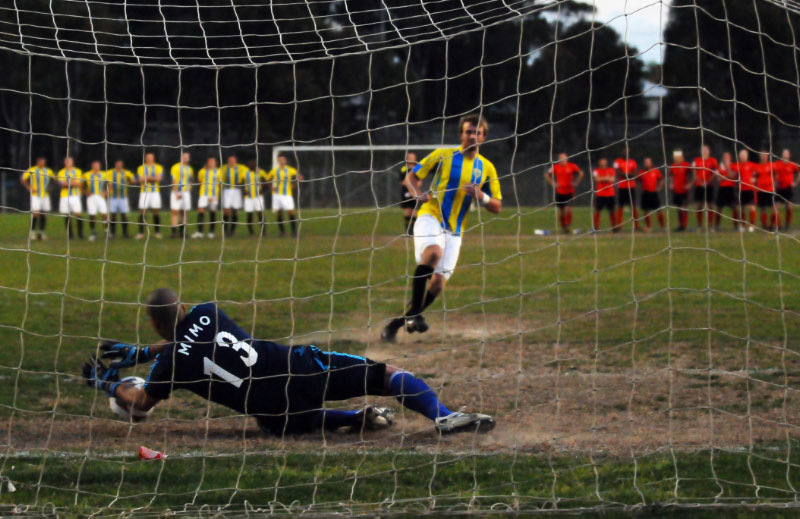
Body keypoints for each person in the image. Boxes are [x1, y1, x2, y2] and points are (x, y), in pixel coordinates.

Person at [82, 288, 495, 436]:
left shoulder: (169, 366)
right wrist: (144, 351)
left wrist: (108, 382)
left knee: (277, 422)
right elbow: (189, 337)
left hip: (270, 407)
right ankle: (442, 416)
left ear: (154, 323)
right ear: (185, 306)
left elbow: (139, 404)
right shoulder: (208, 311)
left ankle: (355, 418)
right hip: (294, 365)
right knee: (386, 375)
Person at [381, 114, 502, 343]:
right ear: (461, 135)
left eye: (477, 132)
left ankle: (395, 325)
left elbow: (497, 206)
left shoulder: (487, 168)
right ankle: (415, 316)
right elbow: (411, 177)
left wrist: (481, 196)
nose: (472, 136)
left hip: (456, 230)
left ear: (484, 137)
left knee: (437, 285)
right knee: (433, 254)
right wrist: (418, 195)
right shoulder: (443, 155)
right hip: (431, 215)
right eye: (468, 131)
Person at [545, 152, 583, 234]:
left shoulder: (572, 166)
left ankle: (567, 226)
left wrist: (576, 182)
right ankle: (563, 227)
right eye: (561, 158)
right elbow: (547, 175)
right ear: (558, 159)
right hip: (559, 192)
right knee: (561, 212)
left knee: (568, 209)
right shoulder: (555, 167)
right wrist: (553, 183)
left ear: (567, 158)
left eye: (564, 158)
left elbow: (581, 173)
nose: (562, 159)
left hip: (569, 192)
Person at [267, 154, 303, 237]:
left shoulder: (290, 170)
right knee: (279, 213)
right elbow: (266, 179)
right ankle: (282, 232)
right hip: (276, 195)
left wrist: (294, 184)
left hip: (287, 195)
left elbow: (300, 177)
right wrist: (271, 187)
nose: (281, 161)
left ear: (285, 161)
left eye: (283, 160)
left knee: (290, 212)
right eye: (280, 160)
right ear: (278, 161)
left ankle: (294, 232)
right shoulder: (274, 170)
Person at [21, 157, 54, 241]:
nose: (42, 163)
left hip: (45, 195)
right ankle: (32, 232)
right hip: (35, 195)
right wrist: (30, 188)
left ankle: (41, 232)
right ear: (37, 162)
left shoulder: (48, 171)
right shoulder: (32, 170)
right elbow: (23, 179)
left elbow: (54, 180)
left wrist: (50, 189)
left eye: (43, 161)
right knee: (35, 213)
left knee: (44, 213)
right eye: (40, 161)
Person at [136, 153, 164, 239]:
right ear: (145, 158)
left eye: (151, 157)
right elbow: (140, 180)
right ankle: (141, 233)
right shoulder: (141, 168)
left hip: (155, 192)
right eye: (148, 157)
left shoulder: (158, 167)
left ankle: (157, 232)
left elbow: (159, 179)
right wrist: (153, 177)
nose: (149, 159)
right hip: (144, 192)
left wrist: (146, 177)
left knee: (156, 211)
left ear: (153, 158)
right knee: (142, 211)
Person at [192, 157, 221, 239]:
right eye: (209, 162)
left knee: (213, 212)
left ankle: (211, 233)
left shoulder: (219, 172)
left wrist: (217, 196)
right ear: (207, 163)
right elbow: (200, 181)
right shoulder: (202, 171)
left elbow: (220, 184)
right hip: (204, 194)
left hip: (214, 195)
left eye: (213, 162)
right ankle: (199, 232)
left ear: (216, 163)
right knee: (201, 211)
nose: (211, 163)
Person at [57, 156, 84, 240]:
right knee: (67, 215)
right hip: (64, 196)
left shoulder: (78, 171)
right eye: (66, 161)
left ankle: (80, 234)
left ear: (72, 162)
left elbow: (79, 184)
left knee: (78, 214)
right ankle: (70, 234)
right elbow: (62, 184)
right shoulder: (61, 172)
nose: (68, 163)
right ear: (64, 163)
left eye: (69, 161)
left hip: (75, 196)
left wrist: (68, 182)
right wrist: (73, 182)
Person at [691, 145, 718, 230]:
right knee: (699, 205)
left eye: (706, 150)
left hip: (709, 186)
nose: (705, 152)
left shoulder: (713, 160)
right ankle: (699, 225)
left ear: (709, 152)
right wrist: (701, 182)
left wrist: (707, 182)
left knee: (710, 206)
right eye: (703, 150)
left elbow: (714, 173)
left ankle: (710, 225)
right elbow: (694, 173)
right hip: (699, 186)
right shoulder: (696, 161)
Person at [107, 160, 135, 239]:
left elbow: (133, 180)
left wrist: (130, 180)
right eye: (118, 164)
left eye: (120, 164)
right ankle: (112, 233)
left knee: (124, 215)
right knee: (113, 215)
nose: (119, 166)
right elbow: (108, 183)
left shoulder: (126, 172)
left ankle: (125, 233)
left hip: (123, 197)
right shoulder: (110, 172)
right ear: (115, 165)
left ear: (122, 165)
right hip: (113, 197)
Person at [169, 152, 193, 239]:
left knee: (184, 212)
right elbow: (174, 180)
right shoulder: (175, 167)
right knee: (175, 212)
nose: (186, 158)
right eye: (184, 157)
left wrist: (189, 188)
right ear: (181, 158)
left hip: (186, 192)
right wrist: (176, 193)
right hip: (177, 191)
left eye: (187, 157)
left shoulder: (189, 168)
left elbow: (190, 179)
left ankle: (182, 232)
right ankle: (174, 232)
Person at [732, 149, 757, 232]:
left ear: (747, 156)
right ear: (739, 156)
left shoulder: (752, 165)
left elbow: (758, 174)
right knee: (741, 208)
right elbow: (732, 174)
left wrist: (754, 179)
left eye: (744, 155)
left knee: (752, 208)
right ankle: (742, 225)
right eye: (741, 155)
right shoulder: (736, 165)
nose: (743, 157)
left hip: (750, 189)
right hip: (741, 190)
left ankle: (751, 226)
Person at [83, 161, 109, 242]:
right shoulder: (86, 175)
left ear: (99, 166)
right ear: (92, 166)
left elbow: (109, 184)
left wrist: (105, 193)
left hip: (101, 196)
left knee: (104, 214)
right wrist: (87, 194)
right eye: (94, 166)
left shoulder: (104, 174)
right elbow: (81, 186)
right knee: (92, 215)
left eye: (97, 166)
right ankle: (93, 233)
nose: (96, 167)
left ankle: (106, 232)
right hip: (91, 197)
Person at [222, 155, 247, 237]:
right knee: (226, 210)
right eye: (230, 160)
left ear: (235, 161)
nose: (231, 161)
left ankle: (232, 231)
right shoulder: (224, 168)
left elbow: (249, 172)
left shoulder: (241, 167)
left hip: (237, 190)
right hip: (227, 190)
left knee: (235, 210)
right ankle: (225, 230)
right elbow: (219, 176)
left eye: (233, 160)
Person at [773, 149, 798, 231]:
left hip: (788, 189)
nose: (785, 155)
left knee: (789, 207)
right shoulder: (777, 164)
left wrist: (795, 183)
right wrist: (775, 181)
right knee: (776, 207)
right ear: (782, 155)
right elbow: (773, 172)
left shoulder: (792, 165)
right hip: (779, 189)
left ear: (789, 155)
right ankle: (779, 225)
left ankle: (787, 225)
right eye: (784, 153)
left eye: (787, 154)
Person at [613, 151, 639, 231]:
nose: (625, 153)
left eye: (627, 152)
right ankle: (619, 226)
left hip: (631, 187)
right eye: (624, 152)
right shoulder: (617, 162)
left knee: (633, 206)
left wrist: (624, 174)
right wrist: (628, 175)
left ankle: (636, 226)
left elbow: (634, 174)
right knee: (620, 206)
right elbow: (617, 173)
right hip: (622, 187)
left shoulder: (633, 162)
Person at [638, 157, 664, 232]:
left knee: (659, 210)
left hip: (653, 193)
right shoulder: (641, 172)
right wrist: (640, 189)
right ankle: (649, 227)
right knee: (646, 211)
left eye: (648, 162)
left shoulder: (655, 171)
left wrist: (659, 188)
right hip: (645, 193)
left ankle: (662, 226)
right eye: (646, 162)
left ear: (651, 163)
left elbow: (661, 179)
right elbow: (637, 181)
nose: (647, 164)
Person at [243, 161, 269, 236]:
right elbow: (240, 182)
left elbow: (267, 181)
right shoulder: (245, 173)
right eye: (251, 164)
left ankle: (264, 232)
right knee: (249, 214)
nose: (252, 166)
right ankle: (251, 232)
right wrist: (244, 191)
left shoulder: (260, 172)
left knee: (260, 214)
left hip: (258, 197)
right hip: (248, 197)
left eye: (254, 164)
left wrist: (263, 190)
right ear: (248, 166)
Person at [714, 152, 738, 231]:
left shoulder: (733, 165)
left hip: (730, 188)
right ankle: (716, 226)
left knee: (734, 207)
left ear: (730, 158)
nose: (726, 159)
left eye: (727, 157)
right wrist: (727, 176)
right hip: (722, 189)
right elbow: (718, 179)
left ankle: (736, 226)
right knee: (719, 208)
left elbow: (733, 175)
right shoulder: (719, 166)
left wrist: (727, 169)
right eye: (725, 157)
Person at [755, 151, 778, 231]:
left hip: (770, 190)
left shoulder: (771, 165)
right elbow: (755, 177)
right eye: (762, 155)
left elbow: (776, 175)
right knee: (762, 208)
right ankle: (764, 225)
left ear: (767, 157)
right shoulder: (757, 166)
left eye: (765, 155)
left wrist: (773, 183)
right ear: (760, 157)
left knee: (773, 208)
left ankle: (771, 225)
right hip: (760, 190)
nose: (763, 157)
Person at [669, 150, 691, 232]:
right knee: (678, 208)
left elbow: (692, 174)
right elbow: (670, 176)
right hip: (676, 190)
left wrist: (689, 184)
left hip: (684, 190)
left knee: (684, 208)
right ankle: (681, 225)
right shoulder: (673, 166)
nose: (676, 158)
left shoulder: (686, 165)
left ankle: (685, 225)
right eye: (675, 157)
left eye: (677, 157)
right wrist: (671, 184)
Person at [592, 158, 616, 232]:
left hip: (610, 194)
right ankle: (596, 227)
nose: (603, 163)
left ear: (606, 162)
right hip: (600, 194)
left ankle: (614, 227)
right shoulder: (596, 171)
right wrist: (606, 178)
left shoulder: (611, 170)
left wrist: (602, 178)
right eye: (601, 161)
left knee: (612, 211)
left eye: (604, 161)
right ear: (599, 163)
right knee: (597, 211)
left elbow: (612, 179)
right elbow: (596, 179)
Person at [399, 152, 418, 234]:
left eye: (412, 157)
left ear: (415, 159)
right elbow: (402, 182)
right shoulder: (403, 169)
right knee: (407, 210)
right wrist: (410, 183)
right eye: (409, 157)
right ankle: (407, 230)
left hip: (415, 192)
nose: (411, 159)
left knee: (415, 211)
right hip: (405, 192)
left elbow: (419, 182)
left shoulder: (417, 168)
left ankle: (414, 230)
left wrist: (411, 184)